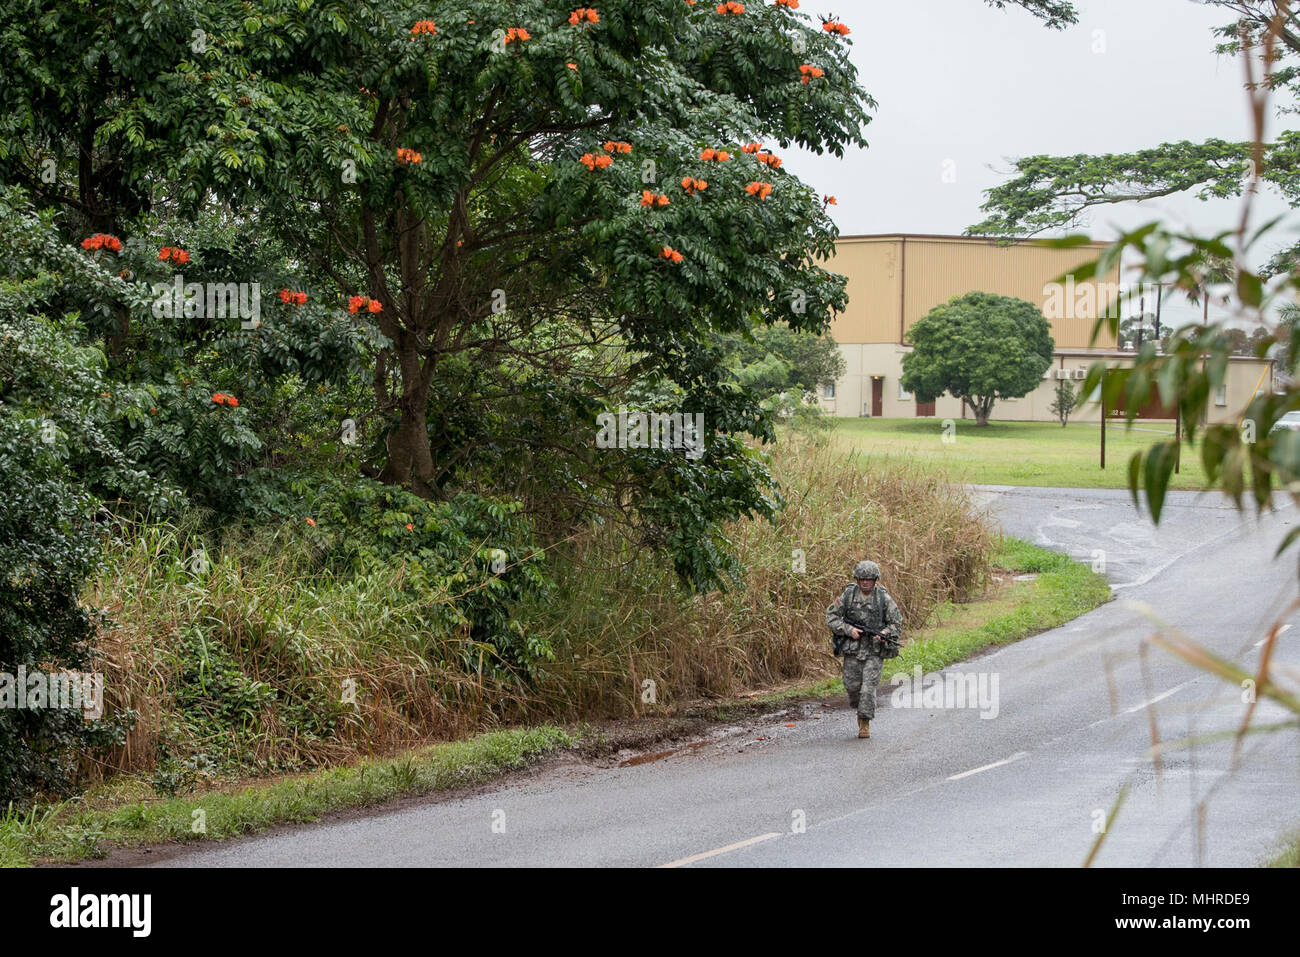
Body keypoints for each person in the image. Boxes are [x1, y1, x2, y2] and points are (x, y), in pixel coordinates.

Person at [825, 560, 903, 739]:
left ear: (875, 580)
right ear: (857, 579)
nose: (865, 582)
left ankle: (865, 723)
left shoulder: (884, 598)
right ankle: (859, 710)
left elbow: (896, 622)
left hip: (874, 651)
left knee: (868, 688)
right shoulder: (848, 596)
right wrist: (848, 630)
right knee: (852, 687)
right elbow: (831, 616)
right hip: (852, 650)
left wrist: (884, 633)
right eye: (862, 579)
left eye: (869, 579)